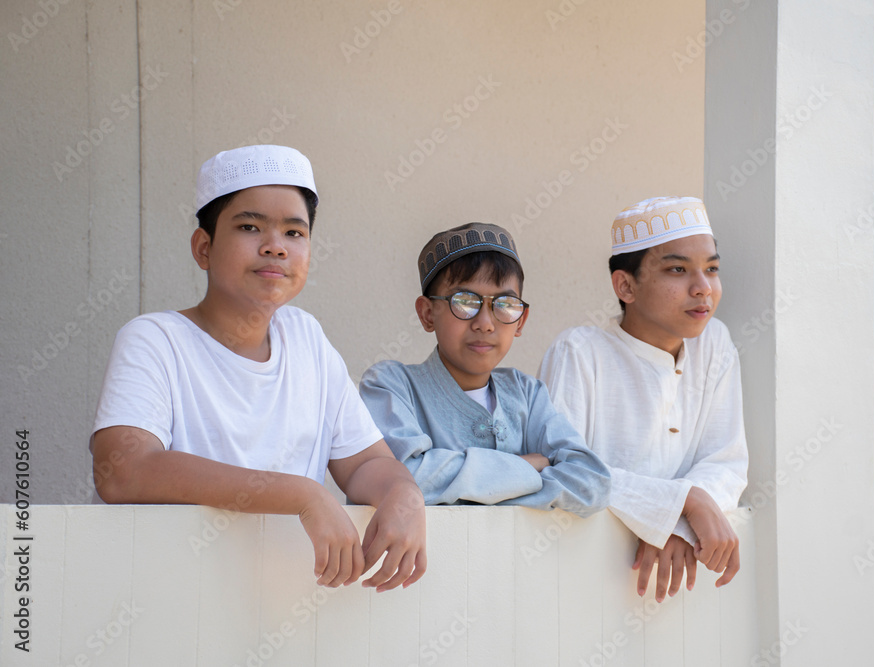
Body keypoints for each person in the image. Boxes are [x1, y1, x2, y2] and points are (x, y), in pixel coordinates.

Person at [90, 145, 426, 592]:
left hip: (284, 597)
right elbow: (123, 471)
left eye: (294, 232)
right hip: (168, 596)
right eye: (250, 227)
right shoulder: (156, 339)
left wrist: (403, 493)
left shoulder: (307, 339)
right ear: (204, 247)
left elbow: (365, 462)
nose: (275, 247)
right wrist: (301, 495)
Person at [539, 196, 748, 602]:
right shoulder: (579, 353)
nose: (703, 288)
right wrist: (683, 502)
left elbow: (725, 461)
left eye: (711, 269)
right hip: (580, 580)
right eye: (677, 270)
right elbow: (566, 472)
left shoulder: (714, 343)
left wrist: (678, 523)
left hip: (681, 594)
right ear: (626, 286)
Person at [359, 223, 610, 516]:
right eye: (465, 302)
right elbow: (404, 479)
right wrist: (527, 466)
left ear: (521, 321)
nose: (485, 323)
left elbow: (590, 484)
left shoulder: (527, 394)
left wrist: (464, 488)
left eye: (504, 304)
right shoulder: (391, 386)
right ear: (427, 314)